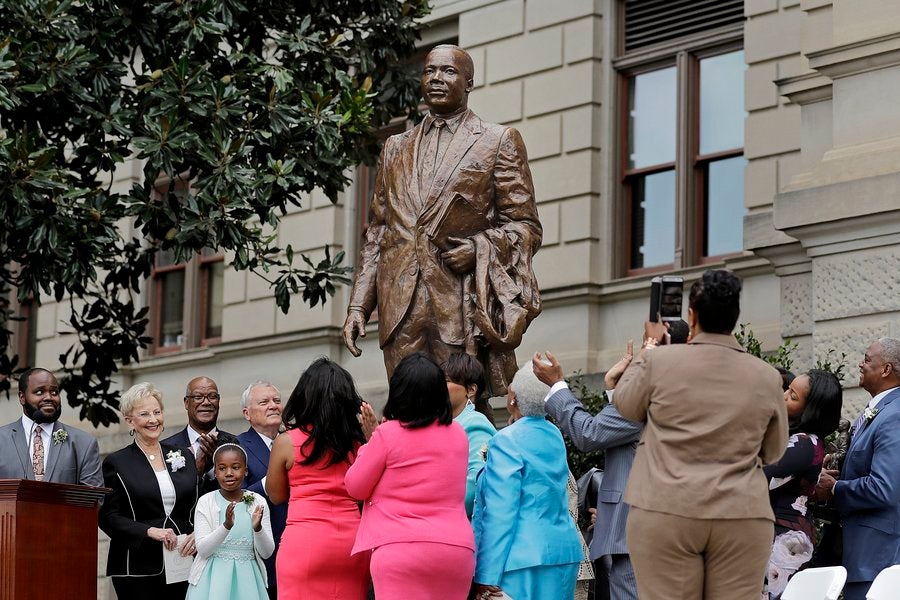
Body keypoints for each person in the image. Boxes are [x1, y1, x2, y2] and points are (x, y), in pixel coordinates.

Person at [342, 43, 542, 397]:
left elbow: (526, 227)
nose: (436, 78)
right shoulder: (394, 148)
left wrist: (479, 249)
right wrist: (360, 304)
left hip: (459, 306)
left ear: (469, 83)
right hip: (399, 306)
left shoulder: (498, 141)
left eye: (448, 71)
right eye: (429, 70)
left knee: (462, 414)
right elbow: (377, 233)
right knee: (406, 414)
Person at [613, 269, 788, 600]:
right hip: (741, 512)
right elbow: (774, 450)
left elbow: (625, 404)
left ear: (690, 316)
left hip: (666, 508)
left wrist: (651, 345)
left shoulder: (659, 362)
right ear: (735, 318)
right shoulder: (766, 376)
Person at [345, 352, 474, 600]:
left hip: (400, 550)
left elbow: (355, 486)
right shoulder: (458, 434)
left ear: (399, 392)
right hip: (456, 550)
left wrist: (368, 444)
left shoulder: (387, 434)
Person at [531, 343, 642, 600]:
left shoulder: (650, 396)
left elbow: (588, 434)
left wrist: (558, 385)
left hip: (633, 538)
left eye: (650, 344)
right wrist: (615, 392)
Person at [472, 361, 584, 600]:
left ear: (513, 399)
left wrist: (486, 574)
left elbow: (501, 511)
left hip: (520, 558)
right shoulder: (554, 434)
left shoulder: (506, 440)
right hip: (563, 552)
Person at [266, 357, 371, 600]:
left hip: (304, 542)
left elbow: (277, 495)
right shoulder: (358, 443)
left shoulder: (286, 442)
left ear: (306, 396)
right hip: (352, 543)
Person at [815, 337, 900, 600]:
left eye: (866, 359)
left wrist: (835, 489)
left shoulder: (894, 415)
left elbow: (884, 488)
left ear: (885, 369)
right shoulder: (879, 411)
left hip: (876, 560)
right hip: (857, 555)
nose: (859, 364)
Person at [99, 382, 199, 600]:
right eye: (144, 414)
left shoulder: (184, 455)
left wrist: (197, 533)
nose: (153, 420)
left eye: (157, 412)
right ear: (130, 421)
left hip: (183, 560)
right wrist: (148, 531)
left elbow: (197, 506)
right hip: (137, 566)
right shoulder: (117, 462)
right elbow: (108, 517)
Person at [763, 369, 842, 598]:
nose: (784, 395)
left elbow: (754, 477)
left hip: (780, 542)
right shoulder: (799, 439)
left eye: (793, 396)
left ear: (811, 412)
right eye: (788, 389)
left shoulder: (804, 444)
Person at [187, 443, 274, 600]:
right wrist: (226, 526)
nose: (229, 473)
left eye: (235, 467)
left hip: (248, 581)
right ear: (215, 471)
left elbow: (267, 553)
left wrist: (258, 528)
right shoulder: (206, 501)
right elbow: (203, 550)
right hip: (212, 580)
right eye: (222, 468)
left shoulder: (257, 501)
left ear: (246, 470)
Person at [0, 367, 102, 486]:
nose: (49, 397)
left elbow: (94, 499)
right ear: (22, 398)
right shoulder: (1, 439)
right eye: (39, 392)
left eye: (54, 392)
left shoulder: (84, 443)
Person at [237, 380, 287, 600]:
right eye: (264, 402)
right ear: (247, 413)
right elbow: (236, 498)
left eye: (276, 400)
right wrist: (269, 482)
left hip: (300, 548)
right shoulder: (237, 447)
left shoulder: (294, 442)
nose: (273, 405)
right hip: (262, 554)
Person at [442, 352, 496, 518]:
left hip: (461, 524)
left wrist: (441, 511)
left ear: (471, 390)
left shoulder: (475, 423)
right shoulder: (442, 423)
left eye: (447, 381)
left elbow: (476, 482)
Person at [163, 375, 239, 493]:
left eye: (212, 397)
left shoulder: (235, 443)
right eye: (198, 397)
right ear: (186, 403)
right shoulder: (167, 448)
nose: (206, 402)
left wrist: (217, 465)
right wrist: (196, 471)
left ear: (219, 401)